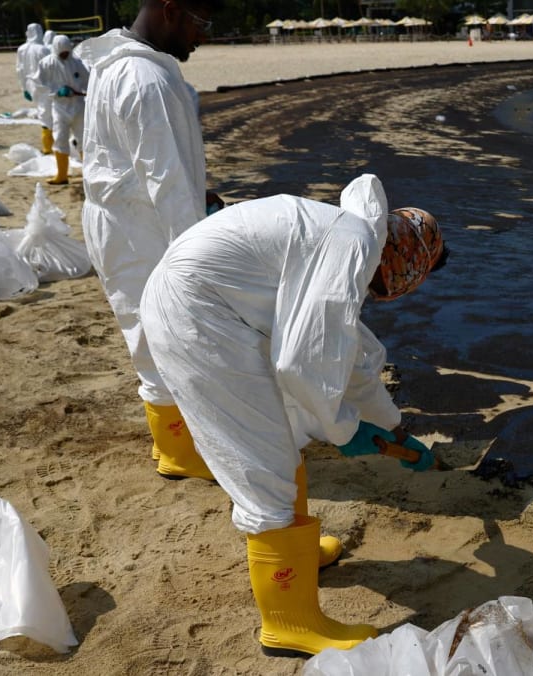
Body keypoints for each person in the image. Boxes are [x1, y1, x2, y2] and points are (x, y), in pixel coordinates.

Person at [139, 174, 448, 657]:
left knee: (281, 439)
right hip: (199, 318)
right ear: (404, 263)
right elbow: (303, 364)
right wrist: (344, 429)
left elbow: (354, 359)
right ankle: (289, 623)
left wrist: (393, 429)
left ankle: (297, 563)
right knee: (262, 462)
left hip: (214, 308)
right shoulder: (348, 250)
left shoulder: (346, 236)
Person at [76, 0, 224, 480]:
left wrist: (197, 192)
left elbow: (129, 156)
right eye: (199, 23)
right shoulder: (147, 80)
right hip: (141, 227)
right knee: (164, 333)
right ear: (170, 10)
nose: (201, 37)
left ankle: (171, 446)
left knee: (145, 328)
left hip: (120, 219)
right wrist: (200, 258)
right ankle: (181, 452)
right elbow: (166, 181)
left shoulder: (116, 64)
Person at [28, 35, 88, 185]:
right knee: (60, 138)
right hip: (60, 107)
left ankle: (88, 174)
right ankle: (62, 175)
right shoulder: (46, 63)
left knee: (84, 140)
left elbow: (88, 81)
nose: (65, 55)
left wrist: (81, 91)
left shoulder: (77, 63)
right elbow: (39, 83)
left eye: (67, 52)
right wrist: (55, 92)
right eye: (62, 53)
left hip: (79, 106)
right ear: (55, 50)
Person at [15, 24, 50, 152]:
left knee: (41, 111)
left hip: (30, 83)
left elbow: (19, 69)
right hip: (43, 84)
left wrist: (24, 88)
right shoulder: (43, 49)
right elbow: (49, 69)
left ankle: (47, 142)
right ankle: (48, 145)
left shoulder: (21, 49)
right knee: (47, 113)